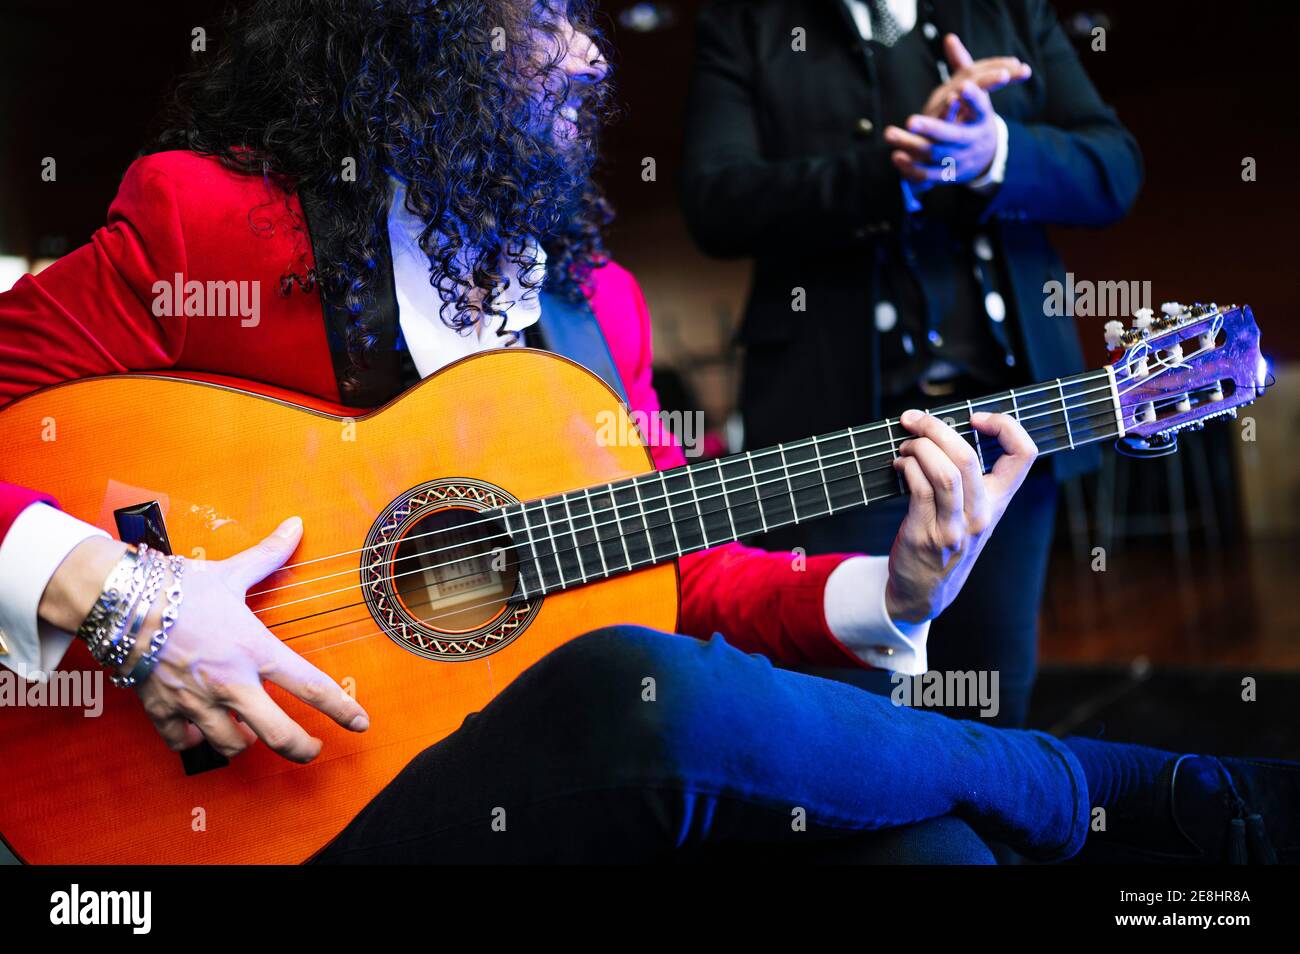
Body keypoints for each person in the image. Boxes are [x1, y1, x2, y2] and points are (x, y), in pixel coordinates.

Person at [0, 0, 1290, 864]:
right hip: (263, 814)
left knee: (926, 847)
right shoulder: (206, 225)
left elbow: (673, 562)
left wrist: (890, 588)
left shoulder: (593, 306)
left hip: (539, 790)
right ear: (415, 35)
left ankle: (1051, 795)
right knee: (643, 688)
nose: (590, 55)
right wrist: (127, 598)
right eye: (543, 17)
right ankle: (1104, 790)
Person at [680, 0, 1144, 726]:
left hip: (1009, 432)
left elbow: (1115, 168)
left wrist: (996, 153)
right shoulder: (748, 23)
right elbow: (715, 201)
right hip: (824, 446)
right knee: (848, 729)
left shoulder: (1010, 11)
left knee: (993, 710)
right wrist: (891, 174)